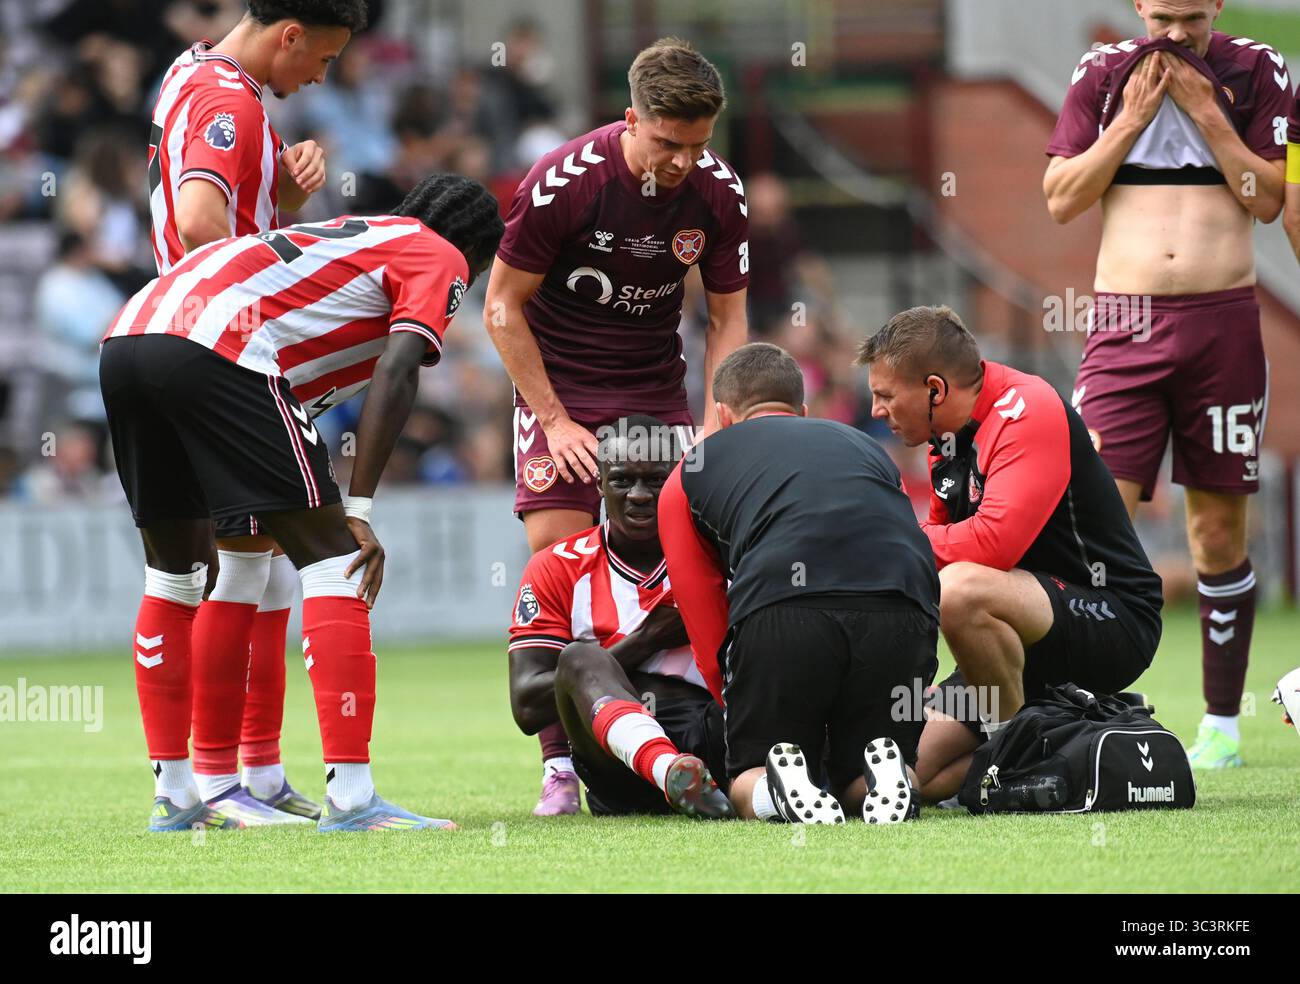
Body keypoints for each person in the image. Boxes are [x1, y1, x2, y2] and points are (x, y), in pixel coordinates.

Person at [99, 174, 503, 831]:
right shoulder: (439, 253)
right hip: (218, 346)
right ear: (479, 253)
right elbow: (399, 370)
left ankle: (183, 796)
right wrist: (361, 509)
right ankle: (351, 798)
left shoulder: (353, 241)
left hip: (130, 336)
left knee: (183, 576)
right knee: (335, 559)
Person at [484, 37, 749, 814]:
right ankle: (561, 763)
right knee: (556, 558)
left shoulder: (718, 192)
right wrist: (554, 419)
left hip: (655, 392)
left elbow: (728, 319)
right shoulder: (563, 182)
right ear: (631, 118)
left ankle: (693, 727)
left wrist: (714, 422)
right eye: (667, 144)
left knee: (688, 556)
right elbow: (502, 308)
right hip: (557, 387)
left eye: (697, 146)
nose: (680, 164)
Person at [1042, 0, 1291, 769]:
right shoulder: (1105, 74)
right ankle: (1079, 706)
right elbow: (1060, 200)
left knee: (1217, 533)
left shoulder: (1258, 70)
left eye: (1191, 15)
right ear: (1138, 7)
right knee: (1093, 531)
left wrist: (1209, 119)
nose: (1176, 33)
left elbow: (1269, 199)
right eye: (1161, 17)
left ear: (1216, 4)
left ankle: (1221, 722)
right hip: (1125, 327)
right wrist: (1130, 123)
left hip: (1222, 326)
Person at [146, 0, 365, 822]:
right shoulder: (231, 100)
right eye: (324, 59)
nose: (320, 76)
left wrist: (284, 196)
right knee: (236, 564)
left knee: (254, 563)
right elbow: (204, 226)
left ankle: (256, 775)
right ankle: (217, 782)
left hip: (186, 337)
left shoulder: (192, 74)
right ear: (289, 34)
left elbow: (225, 222)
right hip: (218, 351)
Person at [857, 306, 1164, 802]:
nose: (876, 410)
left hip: (1111, 617)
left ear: (935, 390)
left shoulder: (1028, 408)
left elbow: (991, 545)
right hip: (1014, 638)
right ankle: (1070, 720)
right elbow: (931, 552)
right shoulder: (946, 443)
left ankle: (1014, 752)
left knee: (959, 590)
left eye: (885, 396)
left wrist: (885, 539)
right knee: (910, 777)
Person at [658, 343, 940, 824]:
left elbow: (705, 618)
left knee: (746, 776)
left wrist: (736, 701)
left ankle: (774, 788)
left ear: (723, 415)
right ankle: (891, 776)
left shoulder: (690, 470)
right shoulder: (867, 447)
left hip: (783, 608)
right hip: (905, 606)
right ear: (803, 412)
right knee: (863, 769)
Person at [507, 415, 731, 818]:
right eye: (623, 480)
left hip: (717, 744)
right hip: (615, 768)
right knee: (577, 658)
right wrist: (648, 639)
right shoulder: (556, 567)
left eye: (655, 480)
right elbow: (526, 706)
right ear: (599, 485)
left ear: (678, 479)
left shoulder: (719, 555)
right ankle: (667, 770)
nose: (640, 495)